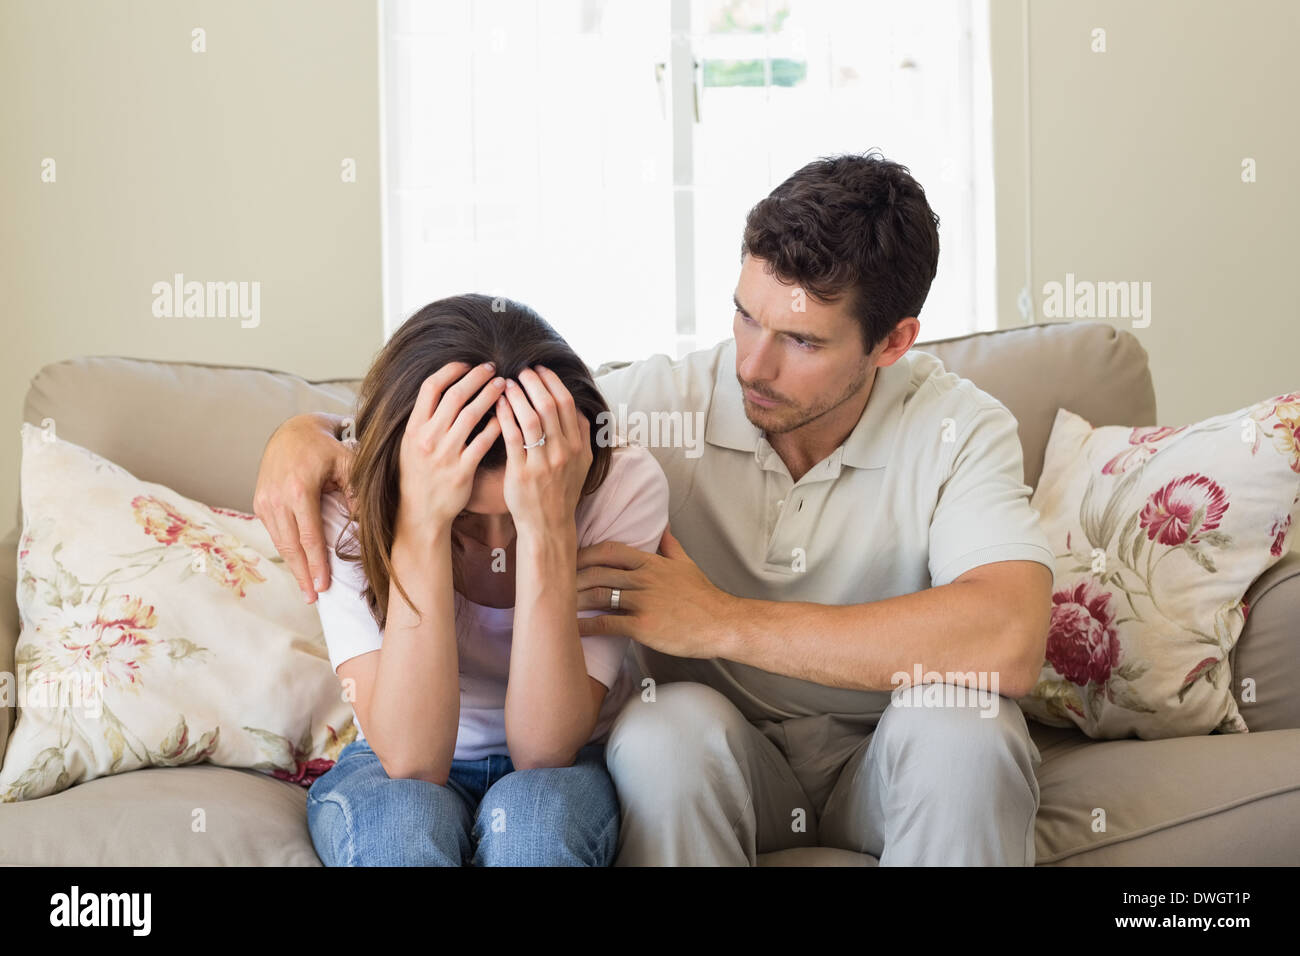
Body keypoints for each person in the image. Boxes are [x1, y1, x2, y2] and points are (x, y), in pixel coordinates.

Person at [255, 150, 1055, 866]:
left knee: (965, 731)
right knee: (665, 730)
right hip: (728, 759)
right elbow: (473, 419)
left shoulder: (960, 427)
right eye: (746, 315)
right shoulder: (650, 409)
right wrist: (306, 433)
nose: (754, 364)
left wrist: (723, 622)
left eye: (802, 342)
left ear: (892, 341)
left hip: (892, 755)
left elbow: (1010, 638)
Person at [298, 293, 669, 866]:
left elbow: (544, 751)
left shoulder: (621, 485)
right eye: (469, 518)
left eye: (514, 517)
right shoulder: (352, 499)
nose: (498, 545)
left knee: (534, 828)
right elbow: (413, 762)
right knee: (401, 829)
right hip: (388, 761)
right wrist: (421, 524)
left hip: (566, 763)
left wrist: (547, 528)